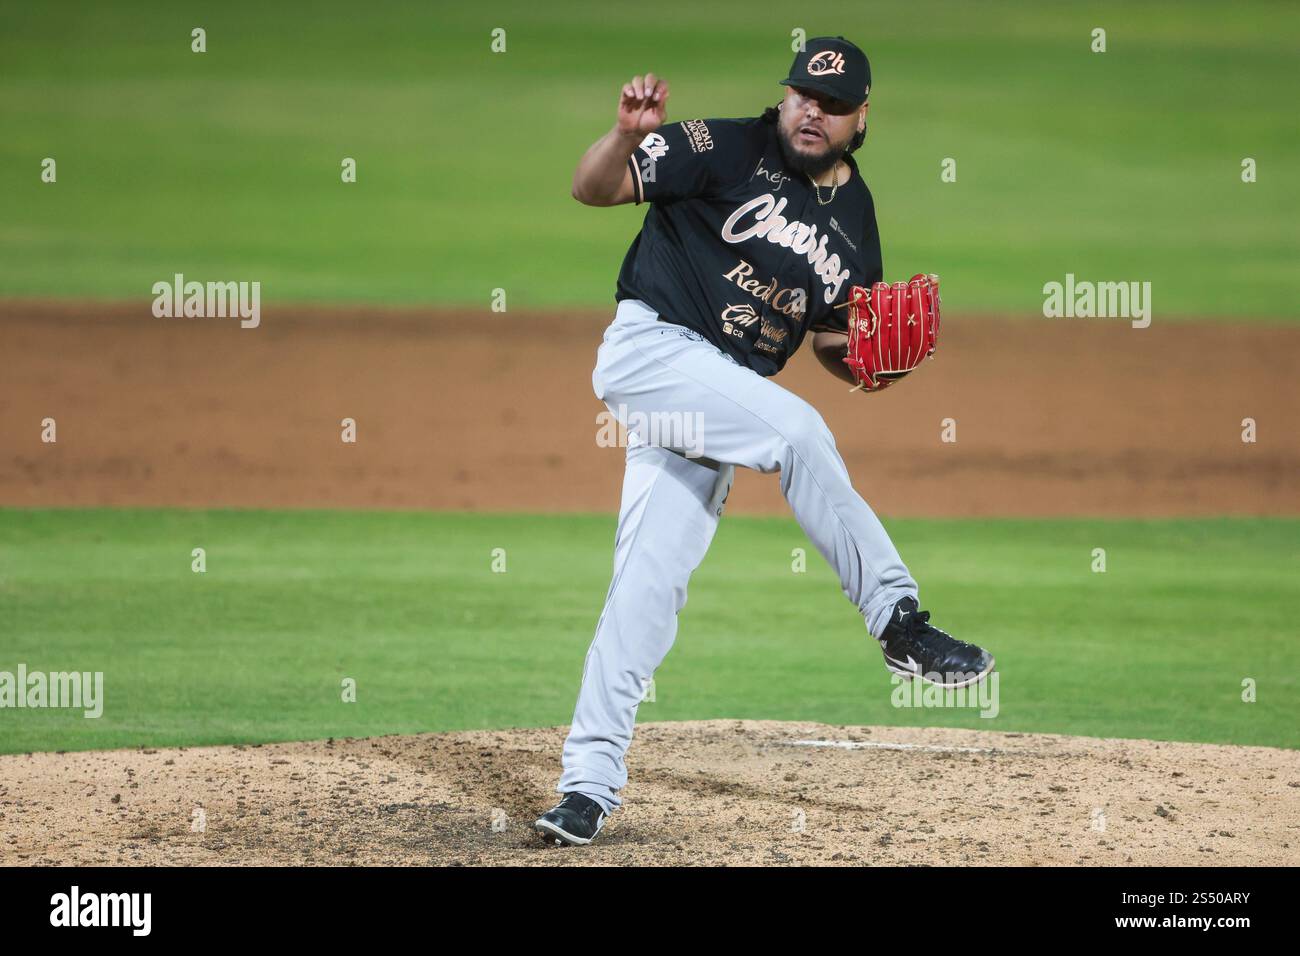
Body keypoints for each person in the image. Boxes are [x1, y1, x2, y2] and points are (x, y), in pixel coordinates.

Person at [534, 37, 994, 848]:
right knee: (797, 431)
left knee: (645, 590)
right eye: (801, 95)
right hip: (652, 352)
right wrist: (624, 136)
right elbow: (591, 188)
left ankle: (586, 789)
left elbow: (828, 342)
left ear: (861, 118)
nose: (812, 110)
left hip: (713, 406)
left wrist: (868, 364)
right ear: (784, 98)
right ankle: (899, 622)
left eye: (833, 102)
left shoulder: (857, 218)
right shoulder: (724, 147)